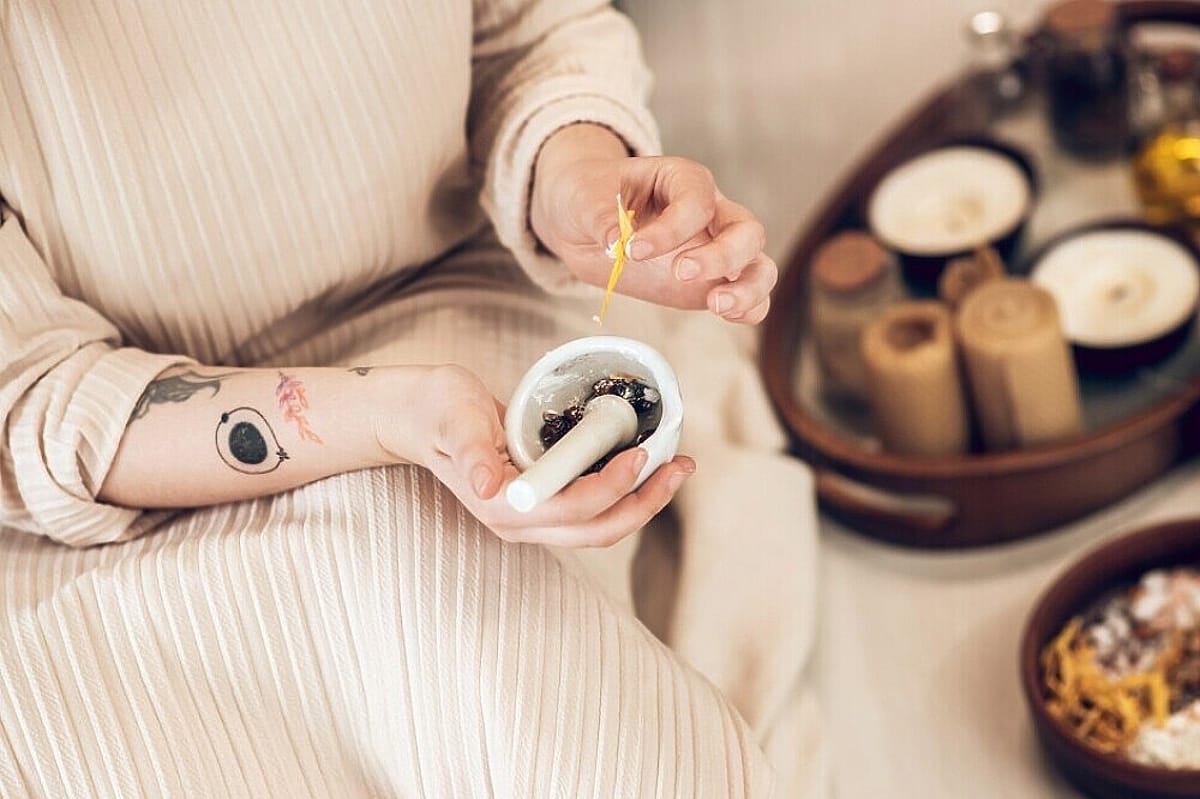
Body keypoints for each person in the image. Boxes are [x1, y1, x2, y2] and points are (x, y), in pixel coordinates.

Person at [0, 1, 821, 796]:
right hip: (118, 485)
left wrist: (577, 181)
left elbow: (527, 31)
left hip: (443, 294)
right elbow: (32, 393)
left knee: (576, 735)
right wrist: (385, 416)